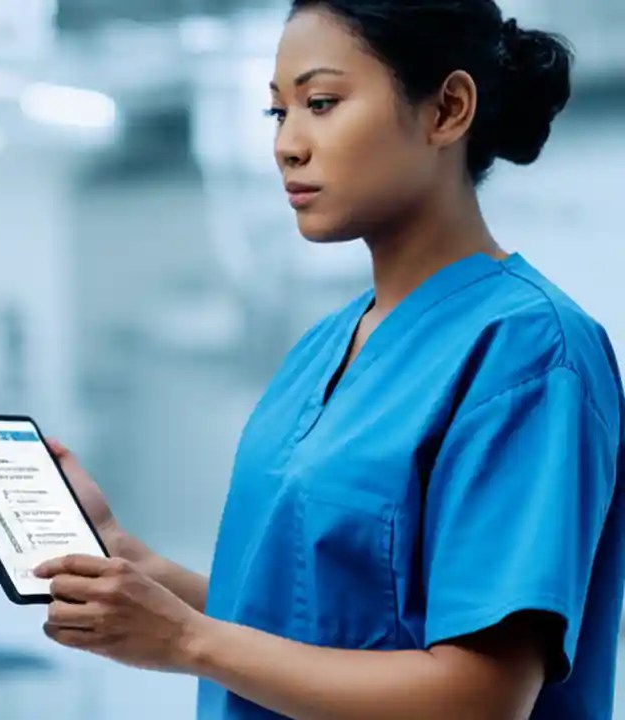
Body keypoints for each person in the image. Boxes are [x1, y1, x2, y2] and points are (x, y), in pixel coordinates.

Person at [32, 1, 625, 718]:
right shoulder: (326, 346)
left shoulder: (529, 352)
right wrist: (135, 568)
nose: (287, 145)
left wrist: (185, 641)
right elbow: (308, 620)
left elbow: (479, 698)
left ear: (447, 109)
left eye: (320, 102)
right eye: (276, 114)